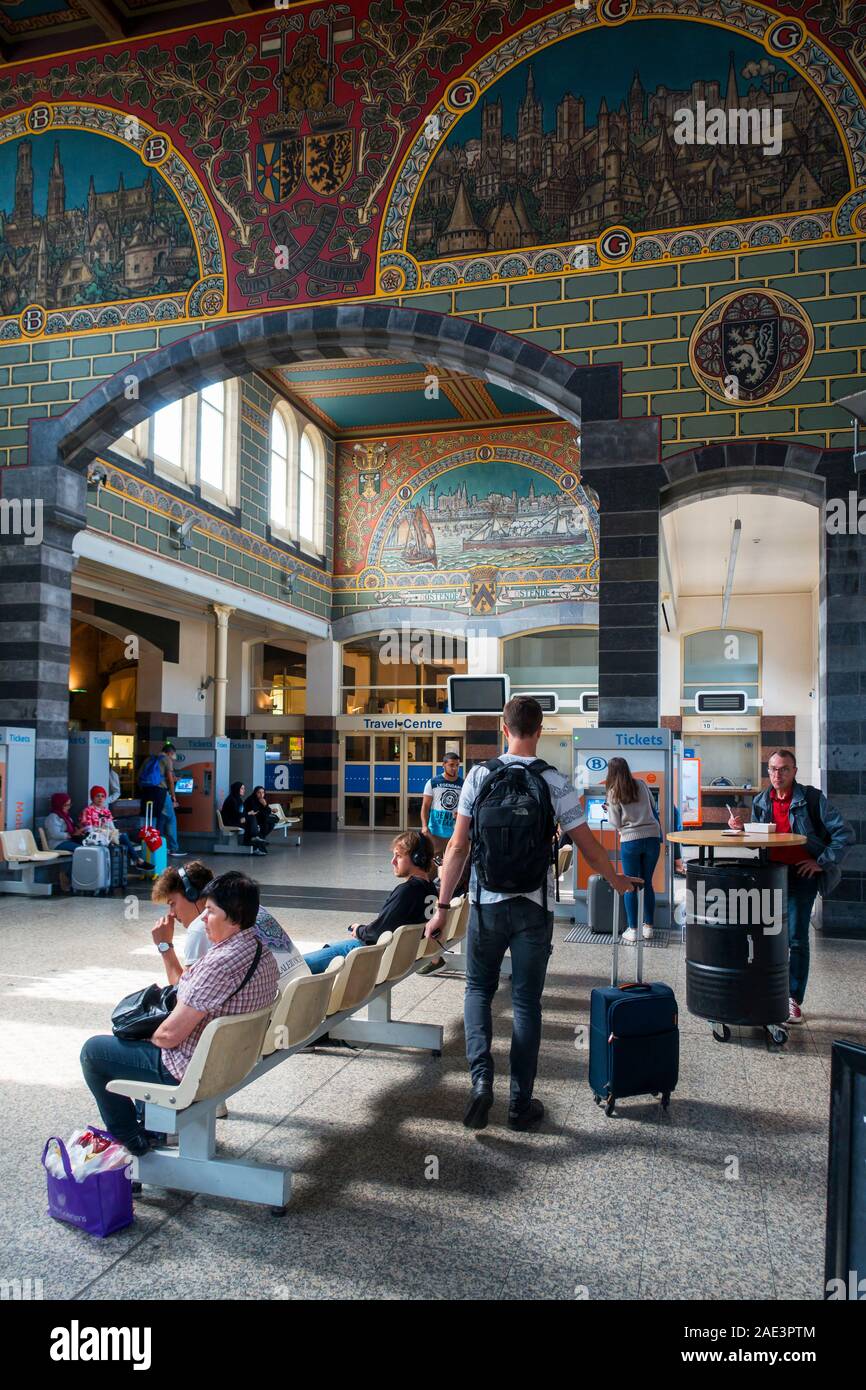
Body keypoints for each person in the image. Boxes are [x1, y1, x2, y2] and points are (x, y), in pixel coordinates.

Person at [425, 696, 638, 1134]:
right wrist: (617, 881)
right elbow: (586, 844)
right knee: (525, 1004)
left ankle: (481, 1080)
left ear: (504, 729)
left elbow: (457, 847)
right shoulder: (553, 780)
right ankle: (520, 1104)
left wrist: (442, 908)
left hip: (486, 906)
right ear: (540, 730)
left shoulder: (479, 775)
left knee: (478, 992)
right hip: (533, 909)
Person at [80, 871, 279, 1155]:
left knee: (94, 1052)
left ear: (234, 916)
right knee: (135, 1038)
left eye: (210, 911)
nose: (203, 919)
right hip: (232, 1061)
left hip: (191, 1070)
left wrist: (149, 1035)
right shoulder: (260, 950)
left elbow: (170, 1036)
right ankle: (150, 1128)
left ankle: (131, 1142)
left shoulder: (219, 965)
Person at [728, 748, 854, 1024]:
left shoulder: (810, 798)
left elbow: (845, 833)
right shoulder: (762, 800)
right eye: (772, 769)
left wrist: (821, 862)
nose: (777, 774)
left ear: (794, 771)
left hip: (800, 875)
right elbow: (759, 840)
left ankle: (793, 999)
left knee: (796, 938)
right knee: (764, 936)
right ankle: (768, 991)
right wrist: (741, 831)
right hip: (770, 875)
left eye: (784, 769)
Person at [150, 860, 309, 988]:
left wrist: (165, 946)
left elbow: (183, 994)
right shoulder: (253, 908)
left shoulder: (199, 928)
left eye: (172, 903)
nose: (171, 913)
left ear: (192, 895)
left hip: (276, 1012)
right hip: (304, 993)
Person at [303, 830, 437, 975]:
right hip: (406, 953)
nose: (392, 861)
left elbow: (378, 933)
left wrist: (359, 930)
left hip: (373, 954)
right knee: (329, 948)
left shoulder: (407, 891)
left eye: (398, 856)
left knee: (301, 966)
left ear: (418, 859)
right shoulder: (431, 889)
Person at [603, 757, 663, 944]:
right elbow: (653, 808)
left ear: (611, 773)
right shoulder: (642, 784)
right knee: (647, 882)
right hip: (652, 837)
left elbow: (615, 822)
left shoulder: (613, 792)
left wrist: (607, 811)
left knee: (630, 884)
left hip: (631, 840)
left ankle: (633, 930)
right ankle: (649, 928)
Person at [419, 751, 466, 975]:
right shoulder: (434, 782)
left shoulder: (463, 783)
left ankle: (444, 897)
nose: (455, 769)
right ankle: (429, 896)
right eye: (451, 765)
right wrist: (424, 826)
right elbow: (425, 806)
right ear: (444, 765)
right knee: (431, 868)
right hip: (436, 831)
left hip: (453, 833)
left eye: (457, 765)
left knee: (450, 869)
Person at [79, 785, 145, 869]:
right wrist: (102, 830)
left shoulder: (106, 811)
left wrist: (111, 832)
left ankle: (136, 860)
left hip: (107, 836)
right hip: (94, 838)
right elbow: (88, 829)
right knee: (122, 839)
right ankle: (137, 860)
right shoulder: (87, 810)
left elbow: (112, 827)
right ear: (93, 797)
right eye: (97, 796)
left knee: (123, 836)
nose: (100, 798)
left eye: (102, 796)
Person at [138, 742, 184, 858]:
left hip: (147, 792)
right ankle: (174, 848)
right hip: (160, 792)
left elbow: (139, 776)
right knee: (171, 818)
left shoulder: (149, 759)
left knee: (152, 819)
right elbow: (169, 780)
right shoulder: (166, 760)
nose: (173, 757)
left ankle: (151, 847)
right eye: (173, 755)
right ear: (170, 753)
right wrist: (173, 796)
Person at [221, 782, 268, 855]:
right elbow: (235, 814)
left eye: (244, 788)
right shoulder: (231, 800)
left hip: (236, 819)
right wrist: (247, 814)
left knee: (252, 821)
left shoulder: (238, 799)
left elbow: (240, 813)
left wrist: (246, 815)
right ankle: (253, 841)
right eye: (242, 788)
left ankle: (253, 843)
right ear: (237, 789)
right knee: (251, 820)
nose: (244, 790)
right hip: (231, 821)